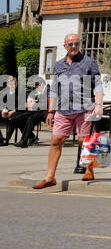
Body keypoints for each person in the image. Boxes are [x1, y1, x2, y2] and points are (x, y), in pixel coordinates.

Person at [33, 33, 104, 189]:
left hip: (84, 108)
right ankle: (50, 177)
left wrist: (98, 103)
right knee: (56, 140)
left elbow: (98, 85)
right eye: (70, 44)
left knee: (83, 140)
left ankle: (89, 170)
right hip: (63, 109)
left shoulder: (89, 62)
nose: (74, 47)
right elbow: (54, 90)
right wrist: (50, 111)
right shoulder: (59, 65)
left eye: (76, 44)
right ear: (65, 46)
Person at [9, 77, 47, 148]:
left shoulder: (48, 91)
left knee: (31, 118)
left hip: (45, 112)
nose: (35, 87)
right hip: (36, 111)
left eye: (36, 85)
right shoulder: (39, 91)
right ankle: (31, 137)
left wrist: (33, 104)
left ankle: (24, 141)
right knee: (17, 118)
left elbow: (45, 105)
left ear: (42, 84)